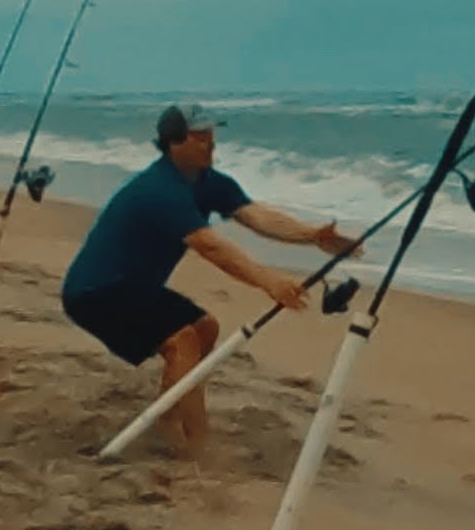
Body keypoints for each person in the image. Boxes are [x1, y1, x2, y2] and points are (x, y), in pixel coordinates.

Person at [60, 103, 363, 459]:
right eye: (200, 137)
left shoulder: (207, 182)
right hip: (96, 292)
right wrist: (269, 282)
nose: (211, 144)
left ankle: (167, 415)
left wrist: (311, 235)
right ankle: (196, 442)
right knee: (183, 340)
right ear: (173, 143)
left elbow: (255, 215)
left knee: (205, 328)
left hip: (134, 288)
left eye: (212, 135)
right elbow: (210, 246)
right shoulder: (161, 189)